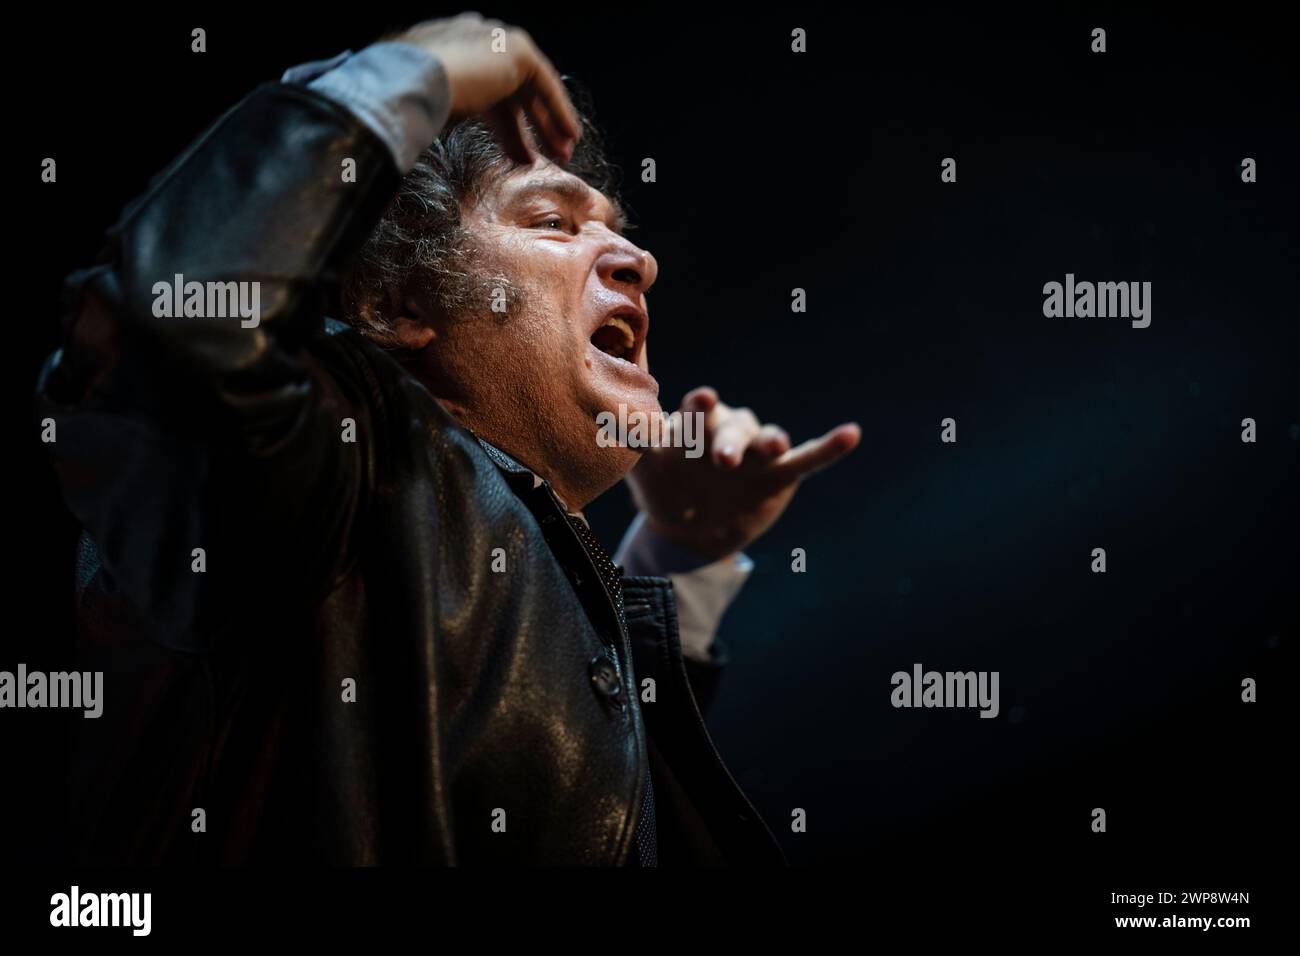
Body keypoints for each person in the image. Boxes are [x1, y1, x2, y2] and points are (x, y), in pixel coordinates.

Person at [35, 13, 859, 865]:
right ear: (396, 304)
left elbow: (571, 773)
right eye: (551, 222)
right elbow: (164, 330)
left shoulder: (493, 551)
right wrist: (399, 77)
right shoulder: (344, 463)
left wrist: (679, 560)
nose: (634, 258)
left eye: (617, 228)